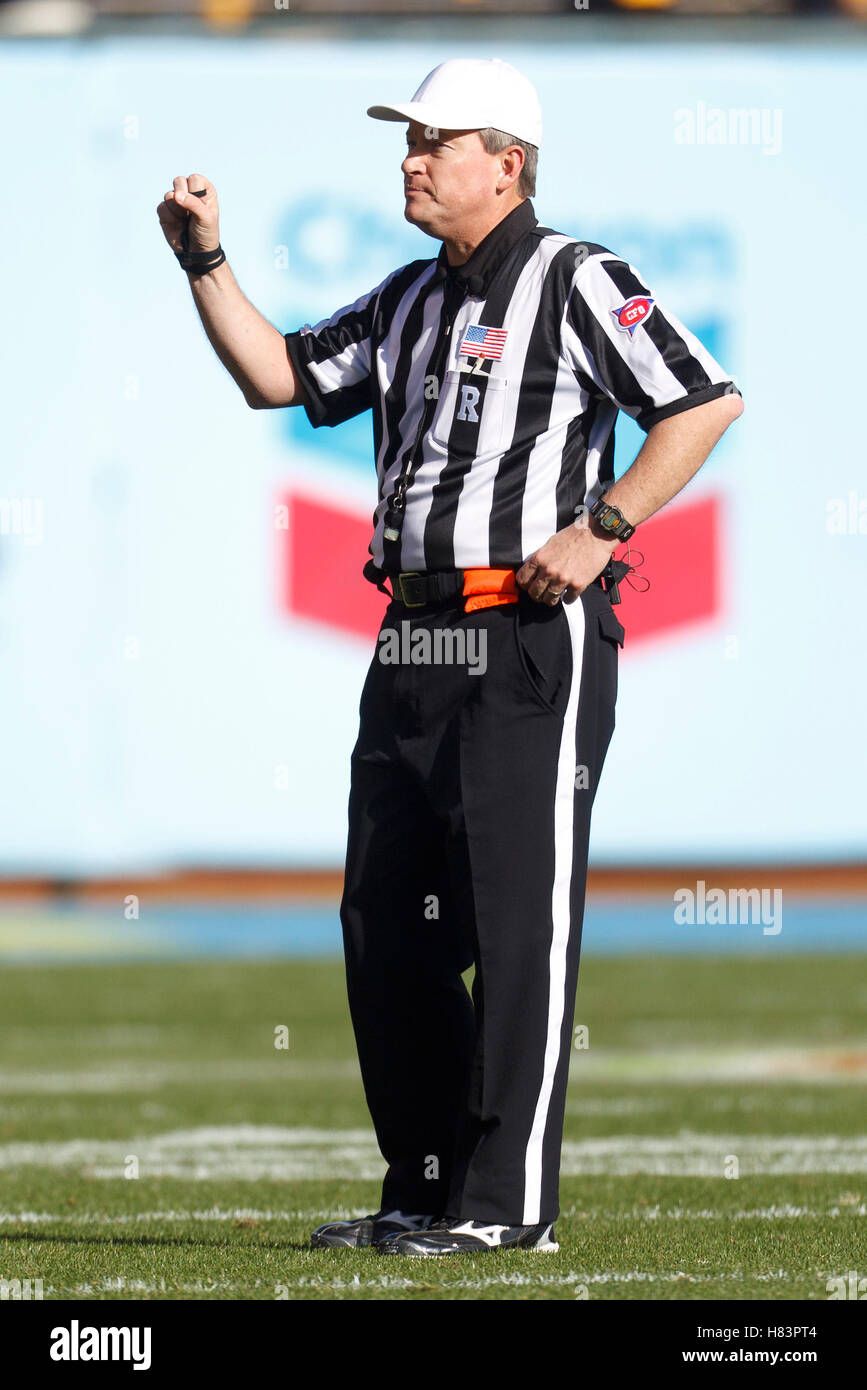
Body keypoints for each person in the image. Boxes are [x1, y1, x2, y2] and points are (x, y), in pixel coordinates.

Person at [156, 56, 743, 1259]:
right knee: (384, 915)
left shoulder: (578, 277)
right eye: (409, 138)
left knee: (513, 914)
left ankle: (507, 1202)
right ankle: (425, 1182)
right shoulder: (408, 297)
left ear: (507, 162)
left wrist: (605, 524)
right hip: (412, 629)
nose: (412, 159)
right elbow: (277, 377)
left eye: (437, 139)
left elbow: (702, 400)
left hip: (527, 633)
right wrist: (203, 260)